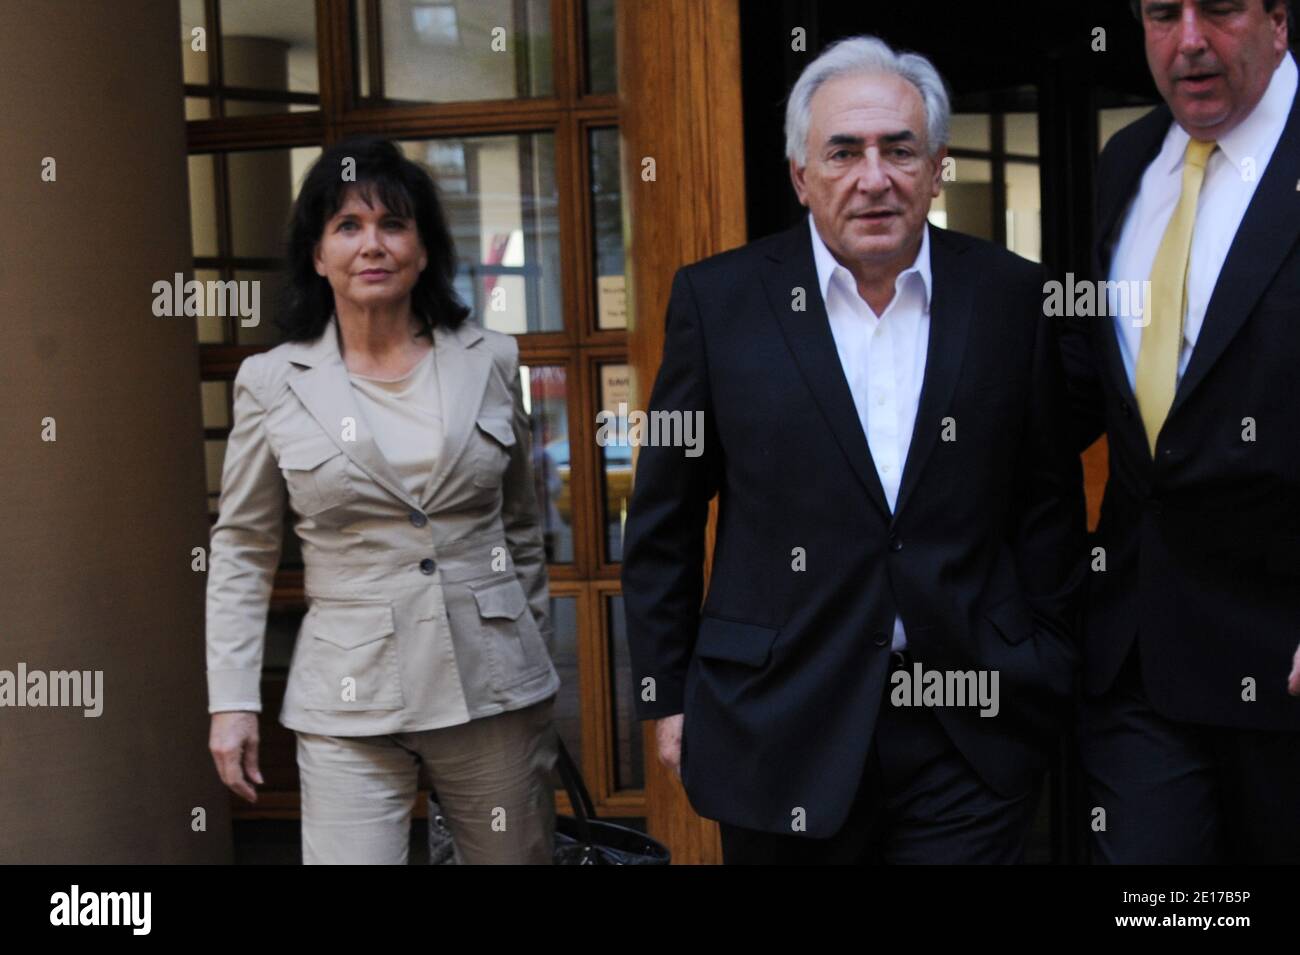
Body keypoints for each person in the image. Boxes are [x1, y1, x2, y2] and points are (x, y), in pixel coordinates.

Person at [621, 36, 1086, 864]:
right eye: (844, 151)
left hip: (968, 729)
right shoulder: (718, 300)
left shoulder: (1014, 297)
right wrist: (666, 693)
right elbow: (664, 513)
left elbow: (1046, 497)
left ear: (937, 166)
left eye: (899, 149)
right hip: (776, 722)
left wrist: (1042, 657)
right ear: (802, 174)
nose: (875, 177)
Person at [204, 135, 560, 864]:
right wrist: (231, 698)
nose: (373, 244)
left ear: (424, 250)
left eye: (393, 225)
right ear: (317, 254)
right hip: (348, 699)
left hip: (491, 688)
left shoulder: (489, 358)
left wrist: (529, 651)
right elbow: (243, 548)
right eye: (348, 226)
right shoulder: (272, 381)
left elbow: (521, 527)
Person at [1060, 0, 1300, 864]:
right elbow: (1089, 381)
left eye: (1222, 9)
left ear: (1278, 18)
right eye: (1163, 14)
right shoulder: (1130, 159)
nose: (1190, 40)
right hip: (1141, 653)